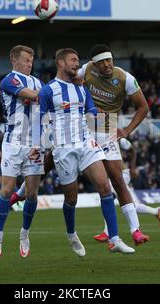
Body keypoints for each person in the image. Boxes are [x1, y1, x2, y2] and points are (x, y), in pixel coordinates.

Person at [11, 44, 151, 246]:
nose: (106, 65)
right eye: (101, 61)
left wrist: (127, 130)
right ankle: (20, 193)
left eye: (109, 60)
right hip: (80, 126)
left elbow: (143, 106)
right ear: (94, 63)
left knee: (117, 180)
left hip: (106, 128)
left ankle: (135, 230)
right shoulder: (84, 70)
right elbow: (67, 81)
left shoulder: (125, 78)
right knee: (47, 162)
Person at [39, 48, 135, 256]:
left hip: (86, 144)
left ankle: (115, 239)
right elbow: (40, 120)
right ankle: (72, 234)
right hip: (64, 150)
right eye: (73, 60)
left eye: (78, 60)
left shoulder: (82, 89)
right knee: (71, 199)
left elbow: (92, 111)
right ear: (61, 63)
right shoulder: (48, 90)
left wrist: (109, 121)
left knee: (105, 187)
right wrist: (41, 145)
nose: (77, 64)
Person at [0, 45, 45, 260]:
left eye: (31, 60)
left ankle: (24, 234)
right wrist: (46, 94)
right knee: (7, 191)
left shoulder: (38, 82)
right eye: (25, 60)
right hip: (13, 143)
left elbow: (43, 108)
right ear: (14, 61)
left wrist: (40, 142)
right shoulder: (9, 81)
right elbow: (34, 96)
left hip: (34, 145)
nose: (29, 63)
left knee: (31, 194)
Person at [94, 138, 160, 242]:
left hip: (122, 174)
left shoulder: (118, 138)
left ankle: (107, 233)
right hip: (111, 176)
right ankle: (156, 211)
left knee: (109, 197)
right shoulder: (94, 137)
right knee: (128, 204)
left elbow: (133, 150)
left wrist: (132, 167)